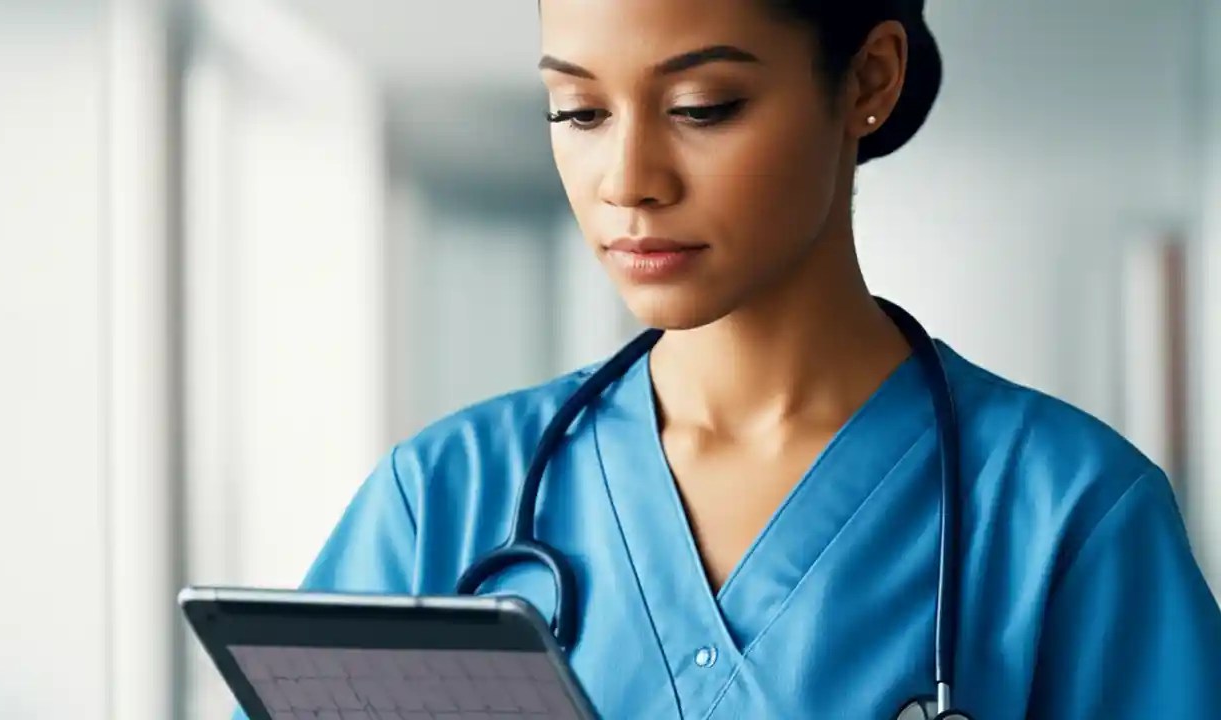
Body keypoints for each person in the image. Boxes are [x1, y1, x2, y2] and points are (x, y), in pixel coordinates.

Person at [232, 0, 1221, 717]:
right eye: (579, 113)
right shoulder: (445, 498)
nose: (627, 182)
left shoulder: (1064, 515)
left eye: (701, 106)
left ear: (867, 81)